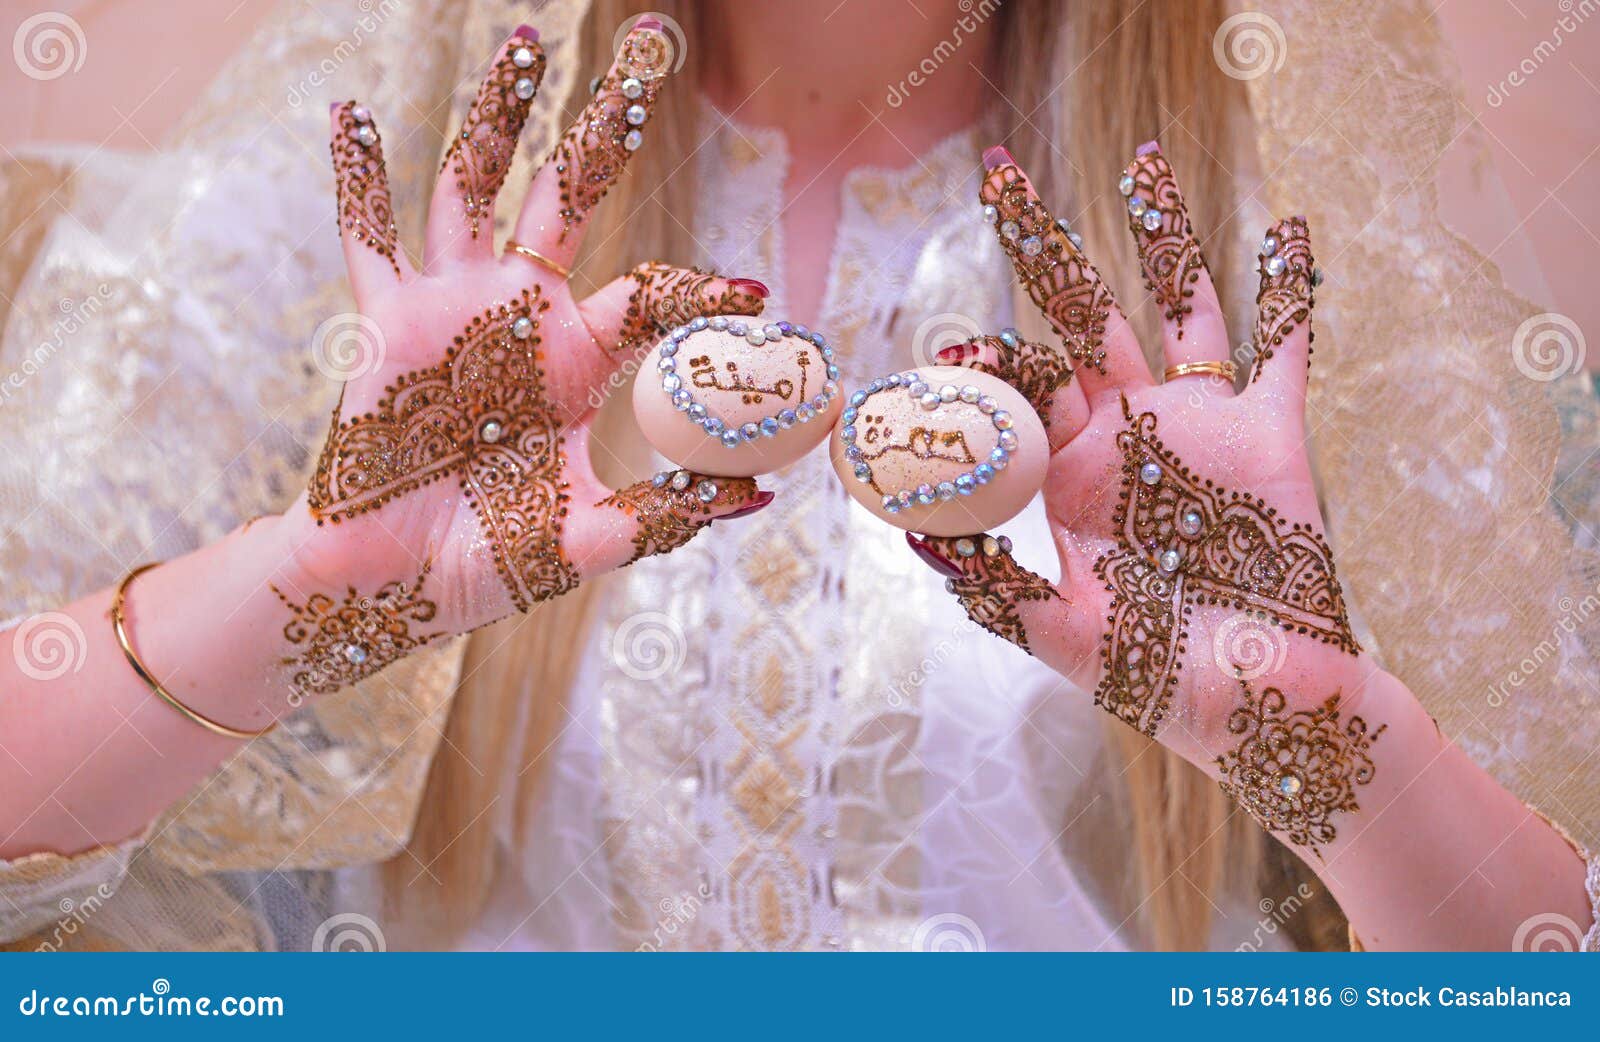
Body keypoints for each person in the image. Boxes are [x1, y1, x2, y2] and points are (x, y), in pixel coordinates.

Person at [1, 0, 1596, 952]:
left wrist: (1340, 745)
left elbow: (1553, 976)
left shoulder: (1267, 246)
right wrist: (305, 597)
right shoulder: (417, 189)